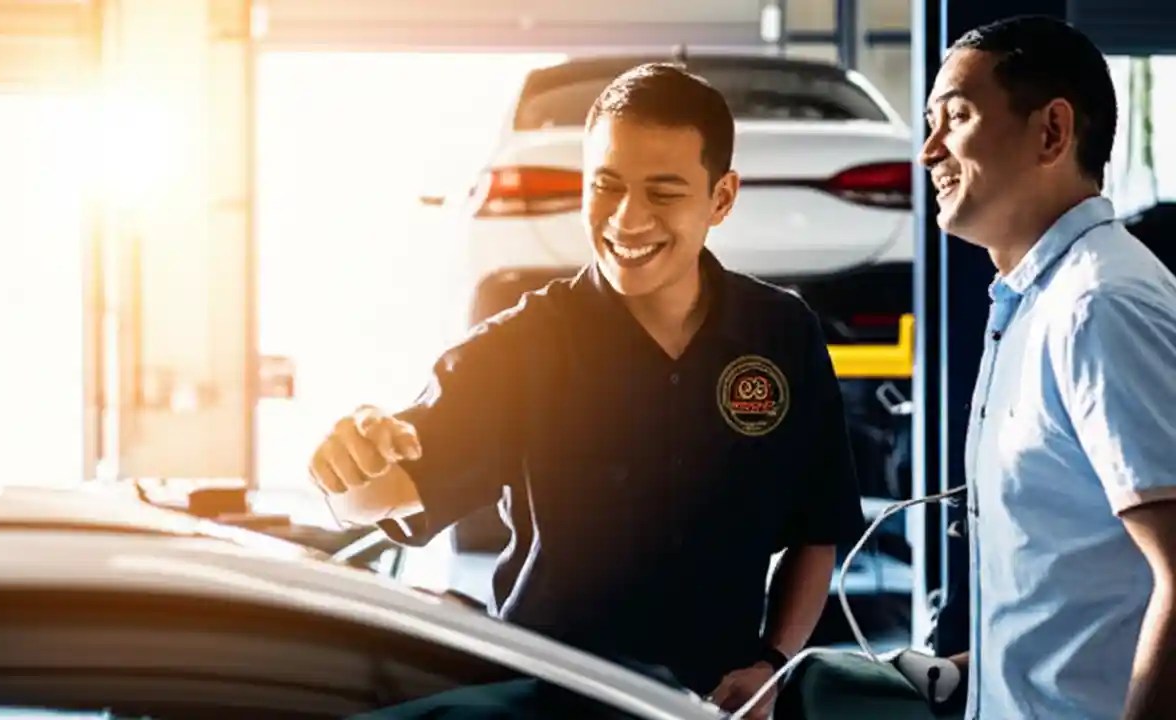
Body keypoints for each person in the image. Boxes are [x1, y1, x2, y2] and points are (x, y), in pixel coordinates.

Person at [307, 63, 864, 717]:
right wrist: (346, 472)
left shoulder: (780, 334)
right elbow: (392, 487)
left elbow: (816, 531)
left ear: (721, 198)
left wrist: (770, 665)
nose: (627, 219)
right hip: (546, 703)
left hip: (708, 708)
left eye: (663, 192)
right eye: (607, 186)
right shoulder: (523, 346)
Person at [920, 15, 1176, 720]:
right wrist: (956, 674)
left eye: (956, 117)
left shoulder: (1100, 304)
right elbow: (1078, 591)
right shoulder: (1033, 301)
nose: (928, 151)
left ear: (1053, 132)